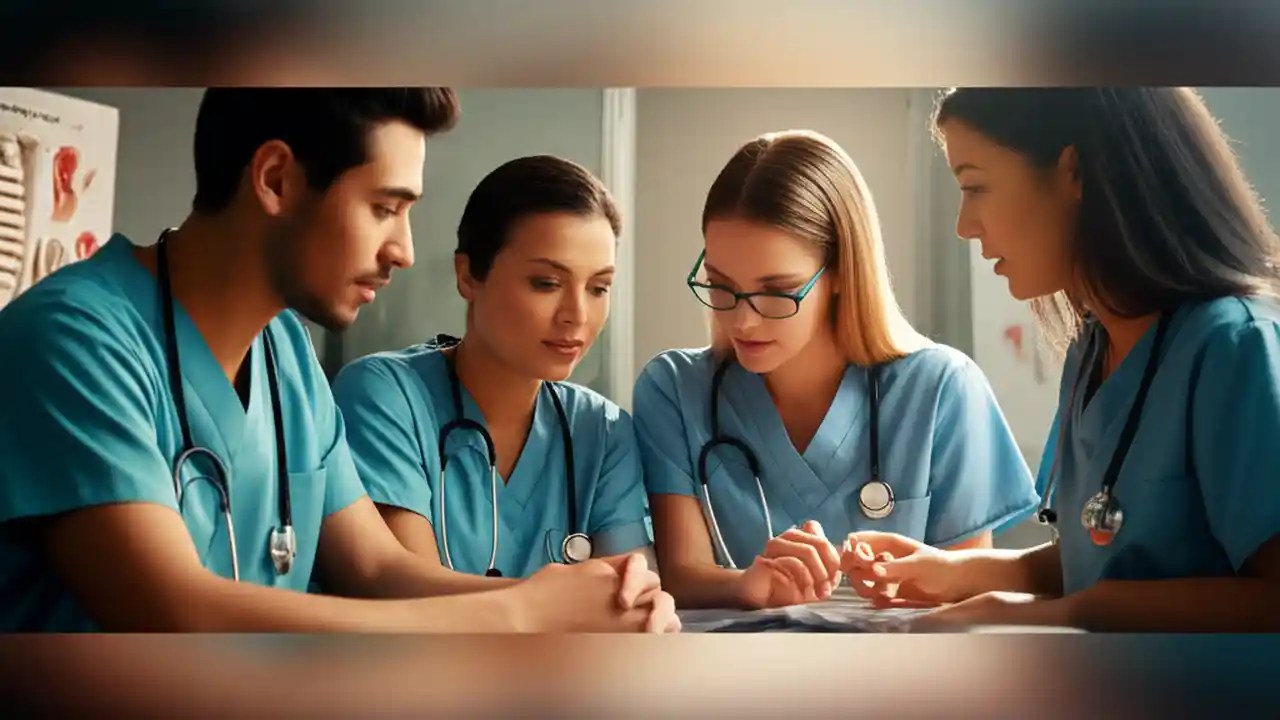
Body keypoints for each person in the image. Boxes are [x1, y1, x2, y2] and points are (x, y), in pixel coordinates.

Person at [0, 88, 678, 633]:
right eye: (385, 208)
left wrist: (572, 603)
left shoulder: (284, 352)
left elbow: (376, 571)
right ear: (274, 179)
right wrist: (518, 613)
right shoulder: (73, 339)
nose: (405, 251)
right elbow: (175, 613)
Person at [844, 87, 1280, 632]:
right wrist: (949, 572)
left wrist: (1062, 615)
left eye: (975, 186)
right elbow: (1099, 559)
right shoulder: (1092, 348)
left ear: (1075, 172)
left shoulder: (1233, 345)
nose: (964, 225)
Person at [633, 129, 1038, 610]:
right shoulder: (675, 391)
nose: (743, 319)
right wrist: (747, 585)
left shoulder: (942, 390)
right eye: (721, 286)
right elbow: (681, 577)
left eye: (776, 291)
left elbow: (966, 594)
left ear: (843, 271)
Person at [332, 155, 653, 583]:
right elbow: (406, 592)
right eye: (547, 283)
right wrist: (561, 603)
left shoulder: (605, 431)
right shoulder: (384, 395)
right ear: (468, 276)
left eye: (599, 288)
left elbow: (632, 594)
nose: (577, 315)